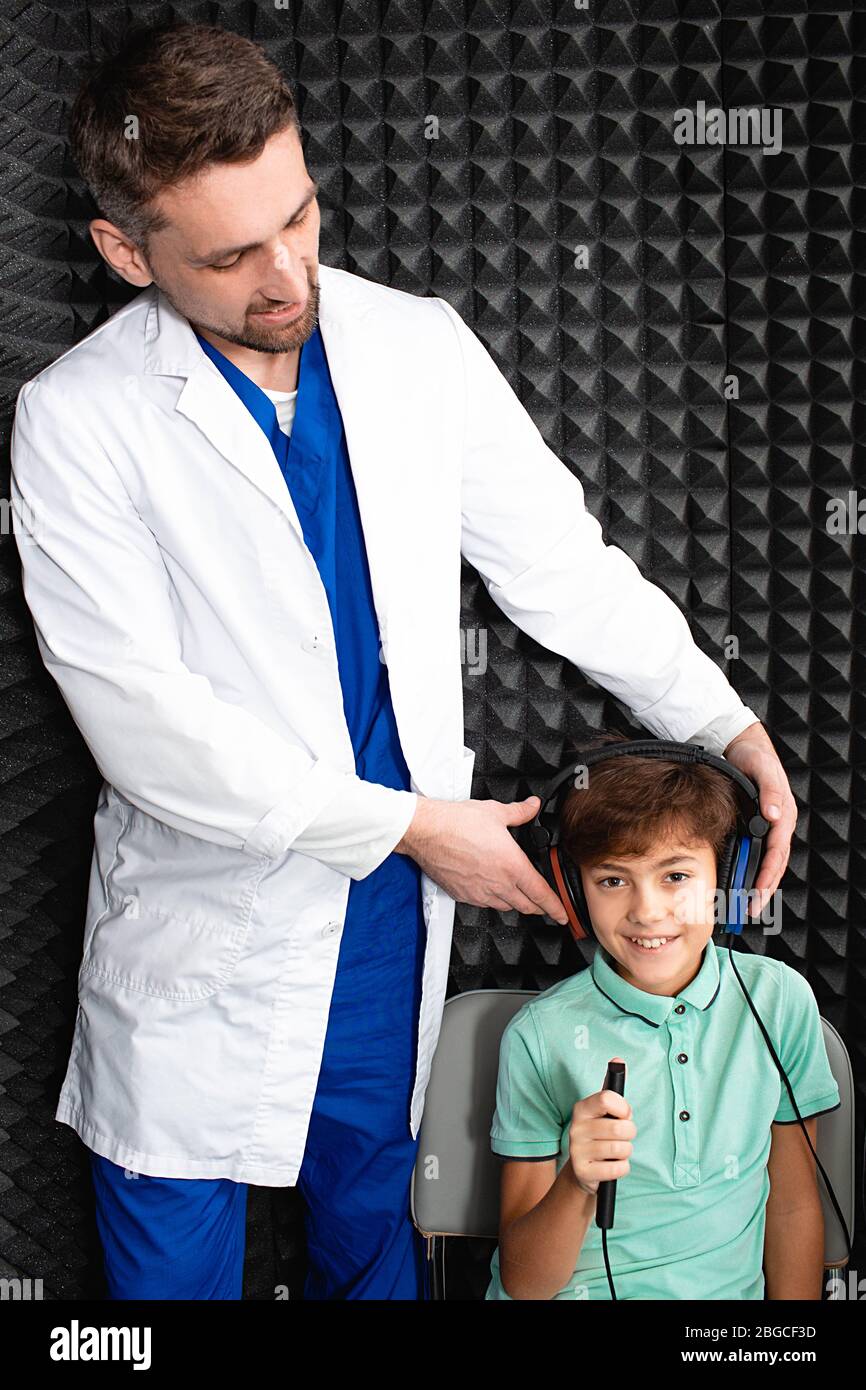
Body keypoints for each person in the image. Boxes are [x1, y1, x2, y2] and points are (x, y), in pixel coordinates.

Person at [9, 19, 796, 1300]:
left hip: (382, 941)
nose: (285, 273)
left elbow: (561, 565)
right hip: (201, 941)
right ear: (121, 251)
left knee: (372, 1257)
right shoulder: (77, 420)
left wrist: (729, 725)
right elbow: (142, 726)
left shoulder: (413, 345)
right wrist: (419, 825)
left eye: (299, 218)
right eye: (229, 252)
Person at [486, 743, 839, 1300]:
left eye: (675, 876)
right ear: (575, 891)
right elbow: (525, 1284)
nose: (647, 911)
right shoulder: (539, 1035)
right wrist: (576, 1184)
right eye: (611, 881)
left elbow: (792, 1205)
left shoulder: (779, 1002)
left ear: (727, 877)